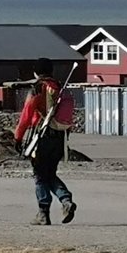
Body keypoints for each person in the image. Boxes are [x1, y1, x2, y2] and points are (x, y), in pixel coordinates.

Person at [12, 61, 78, 225]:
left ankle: (43, 213)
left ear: (36, 72)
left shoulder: (38, 88)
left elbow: (26, 116)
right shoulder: (60, 88)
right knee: (50, 174)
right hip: (59, 137)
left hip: (41, 137)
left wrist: (17, 138)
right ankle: (65, 200)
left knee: (40, 176)